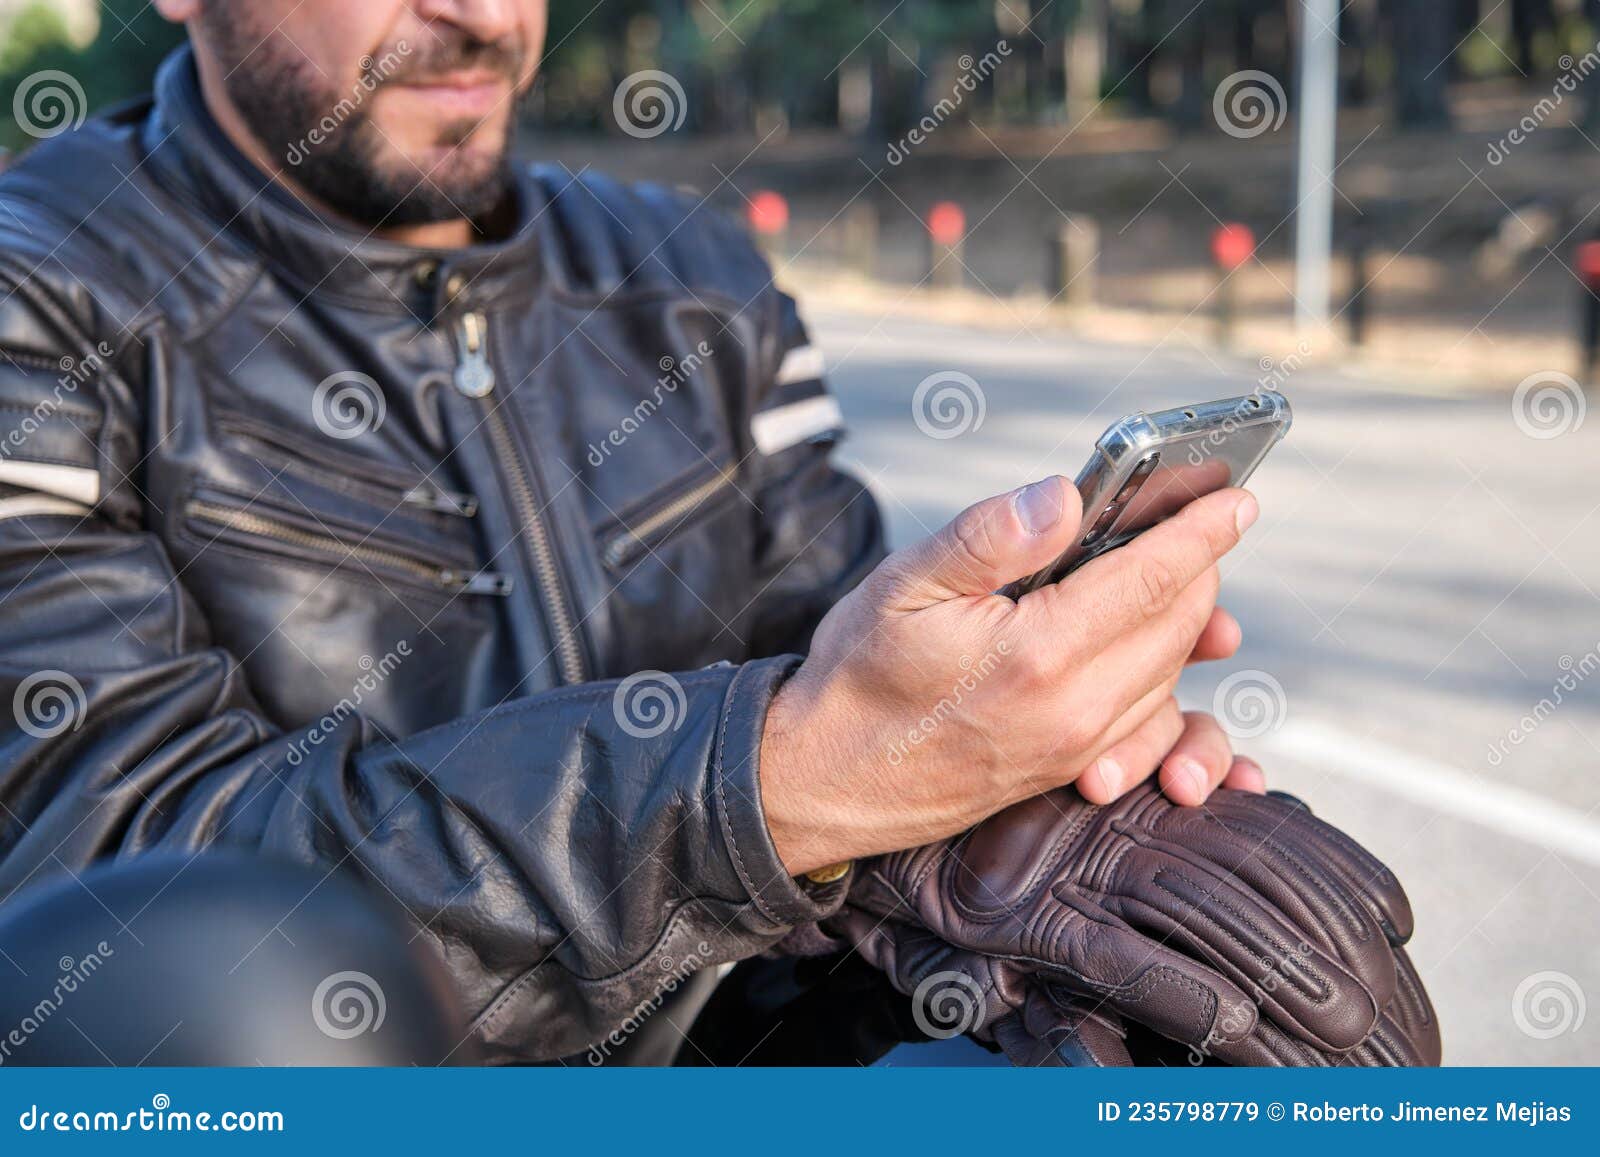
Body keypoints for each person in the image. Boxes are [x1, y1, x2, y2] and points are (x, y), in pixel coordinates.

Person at [0, 1, 1269, 1063]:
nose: (487, 21)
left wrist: (1034, 758)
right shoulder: (37, 304)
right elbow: (121, 909)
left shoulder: (691, 275)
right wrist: (765, 785)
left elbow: (849, 705)